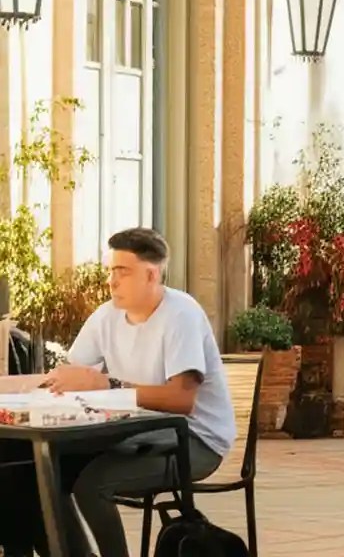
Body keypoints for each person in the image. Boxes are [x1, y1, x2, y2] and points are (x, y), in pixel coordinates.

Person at [37, 228, 235, 557]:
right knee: (46, 471)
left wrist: (109, 385)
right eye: (110, 271)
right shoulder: (107, 316)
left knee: (92, 485)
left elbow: (181, 401)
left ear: (151, 274)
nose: (112, 282)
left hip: (195, 440)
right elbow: (70, 372)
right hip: (136, 434)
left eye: (122, 272)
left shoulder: (181, 314)